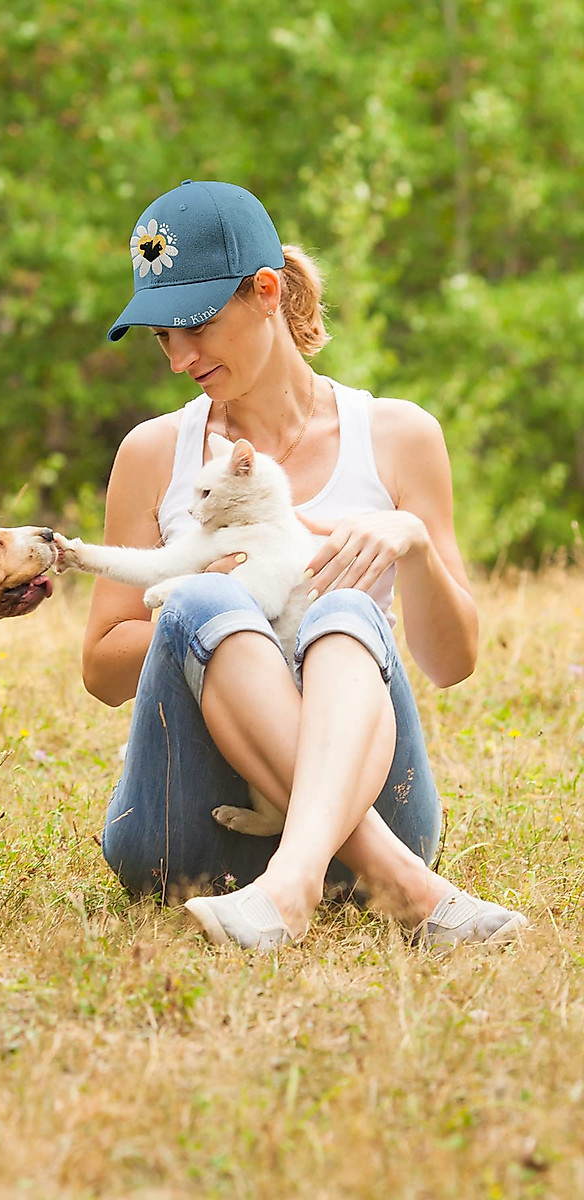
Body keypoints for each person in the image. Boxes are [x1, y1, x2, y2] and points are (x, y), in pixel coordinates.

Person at [83, 179, 527, 951]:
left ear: (265, 292)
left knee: (346, 611)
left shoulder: (398, 436)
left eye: (195, 325)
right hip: (186, 834)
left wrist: (412, 544)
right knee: (195, 602)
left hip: (382, 799)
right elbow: (101, 670)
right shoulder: (155, 454)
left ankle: (295, 882)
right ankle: (409, 889)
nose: (180, 357)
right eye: (161, 336)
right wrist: (208, 599)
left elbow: (453, 664)